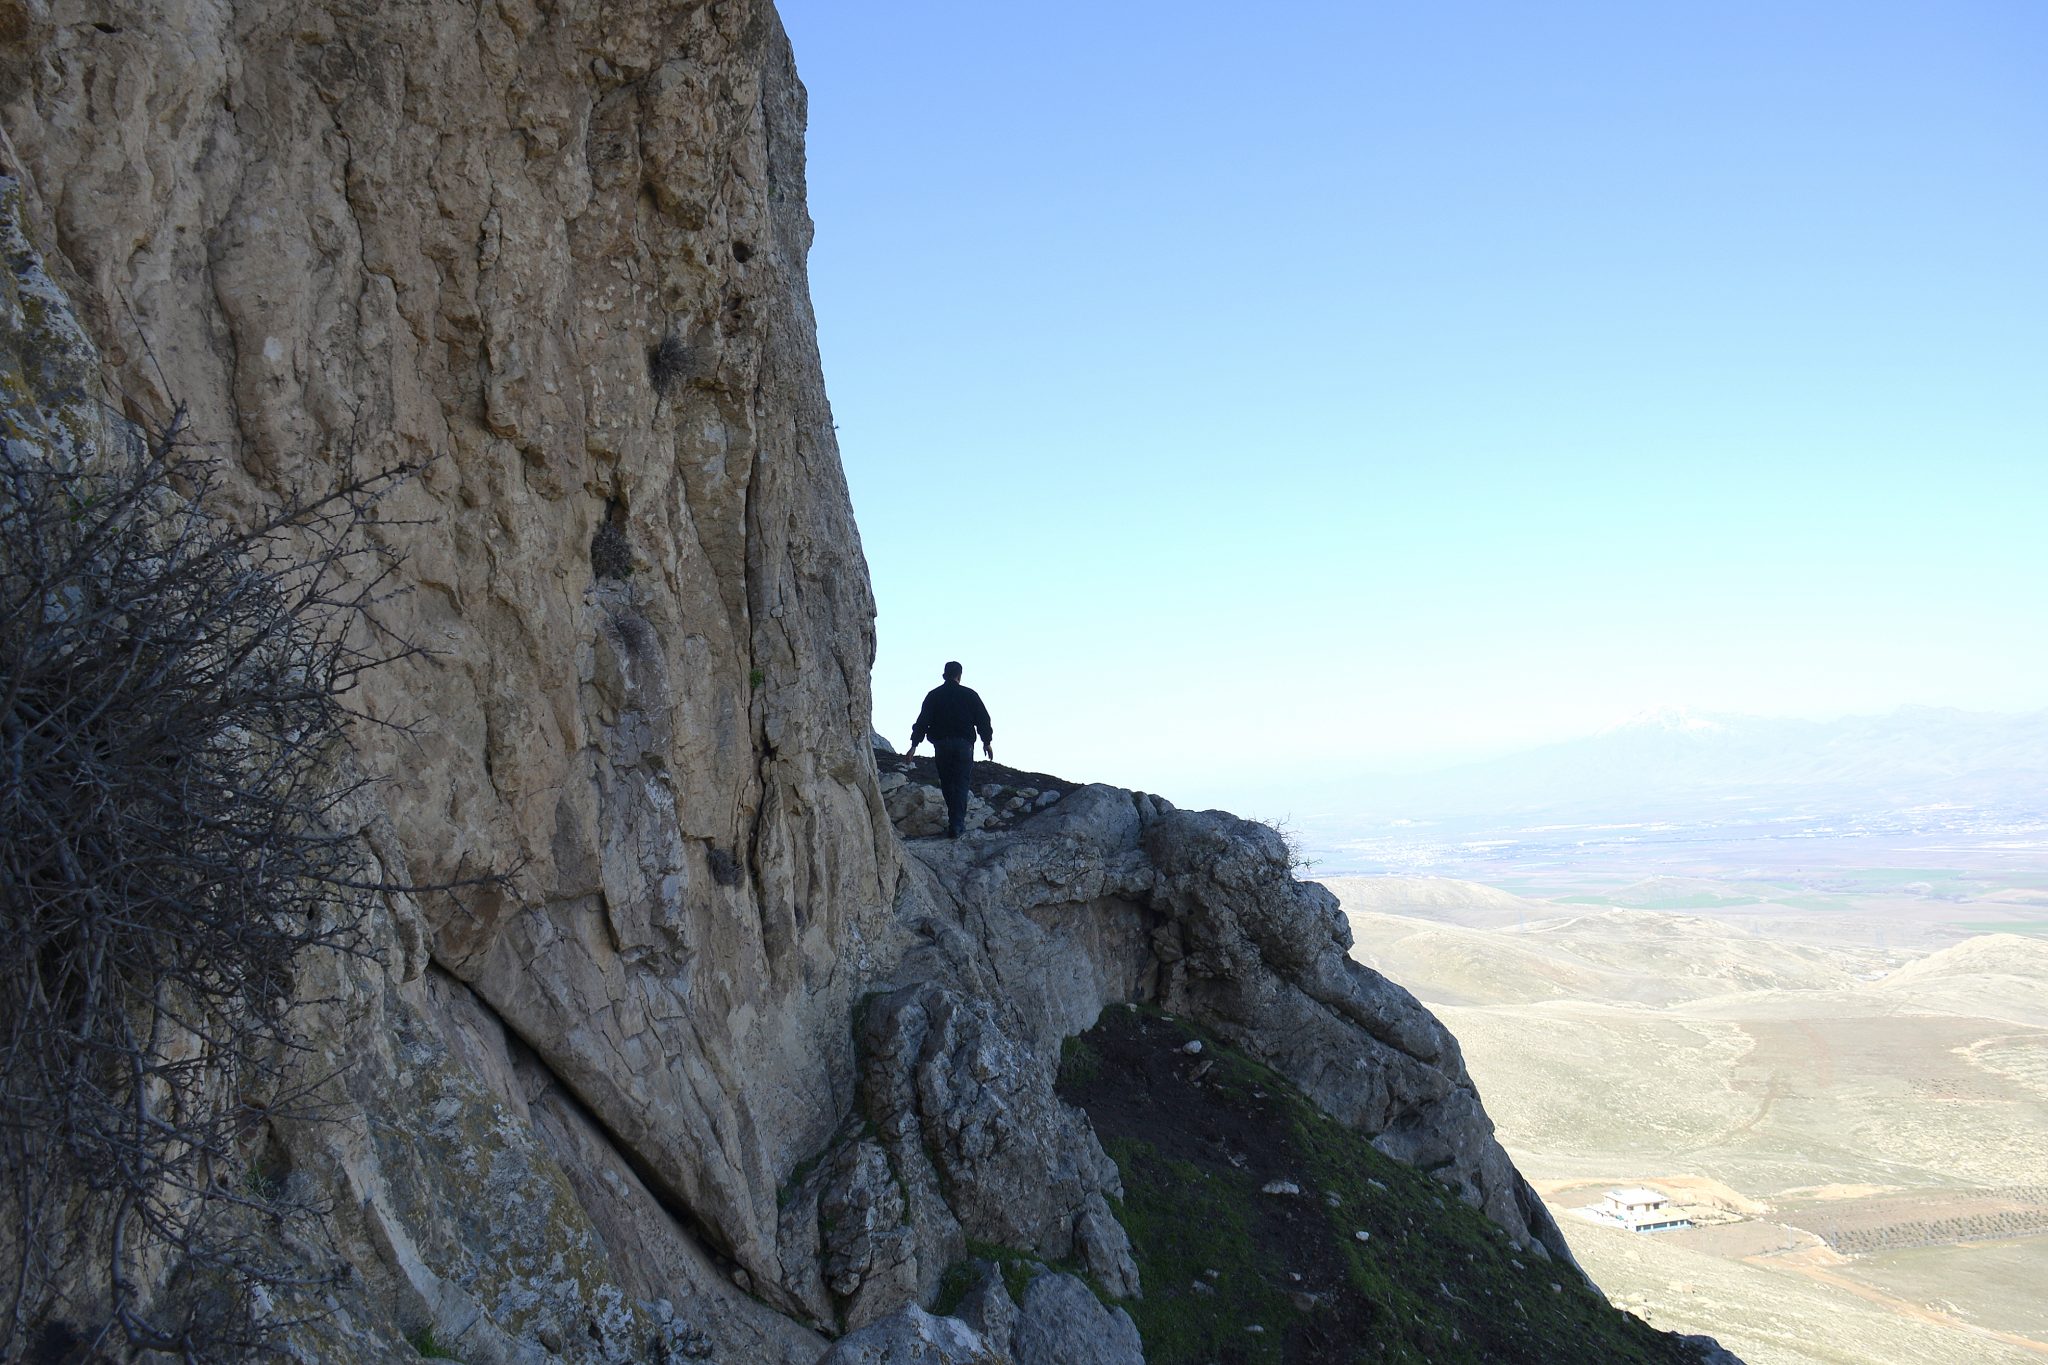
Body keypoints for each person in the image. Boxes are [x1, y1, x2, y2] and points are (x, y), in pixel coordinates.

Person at [905, 661, 994, 838]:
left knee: (947, 783)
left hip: (942, 745)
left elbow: (922, 721)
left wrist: (914, 745)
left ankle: (954, 823)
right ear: (959, 676)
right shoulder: (970, 695)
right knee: (961, 783)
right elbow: (983, 719)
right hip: (964, 746)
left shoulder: (934, 695)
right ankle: (957, 824)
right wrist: (987, 742)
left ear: (944, 674)